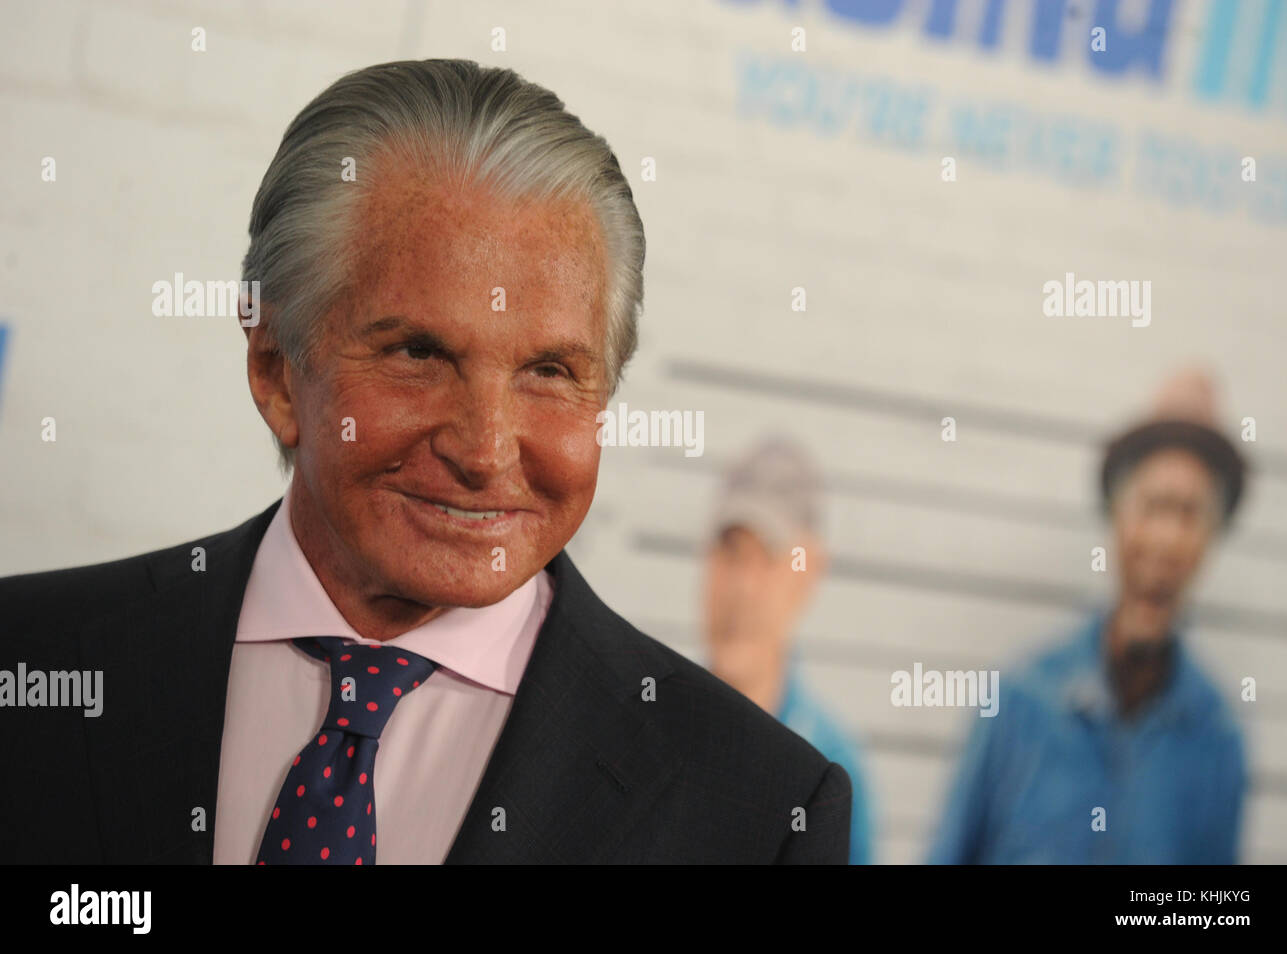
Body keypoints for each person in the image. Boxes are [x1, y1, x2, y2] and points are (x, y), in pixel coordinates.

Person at [0, 59, 851, 864]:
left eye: (550, 372)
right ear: (276, 371)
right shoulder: (29, 664)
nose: (485, 450)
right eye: (417, 354)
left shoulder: (756, 811)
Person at [928, 369, 1249, 864]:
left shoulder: (1217, 740)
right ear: (1117, 518)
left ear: (1209, 542)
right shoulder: (1018, 700)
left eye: (1189, 514)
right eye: (1153, 505)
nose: (1165, 541)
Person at [705, 437, 873, 864]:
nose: (743, 587)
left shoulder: (833, 773)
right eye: (732, 552)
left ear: (807, 575)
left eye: (768, 558)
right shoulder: (646, 730)